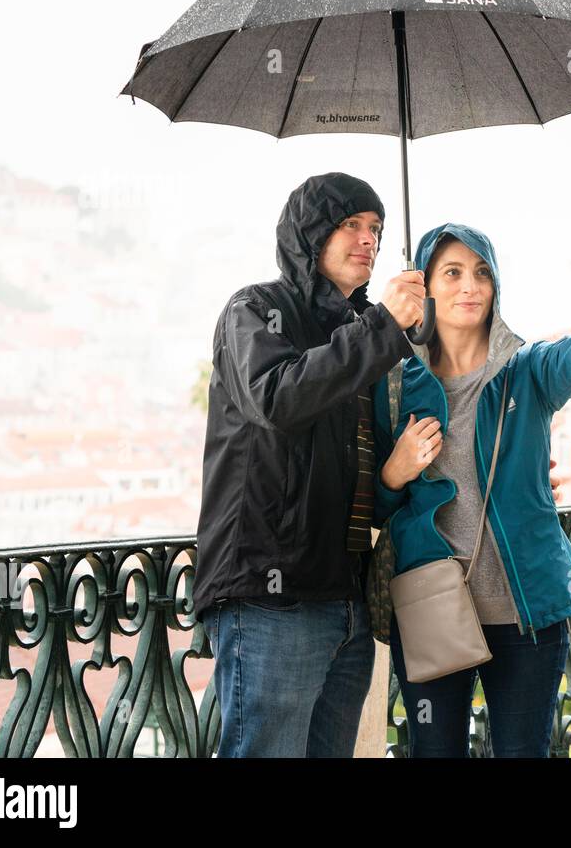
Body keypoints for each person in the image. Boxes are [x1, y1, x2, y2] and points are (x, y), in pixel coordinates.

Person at [372, 223, 571, 758]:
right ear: (423, 287)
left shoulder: (528, 372)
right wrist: (393, 473)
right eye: (452, 272)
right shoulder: (395, 385)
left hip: (527, 613)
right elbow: (376, 507)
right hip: (430, 608)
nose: (470, 286)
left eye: (482, 273)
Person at [192, 171, 426, 758]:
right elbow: (278, 398)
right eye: (350, 224)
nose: (368, 239)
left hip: (346, 602)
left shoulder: (364, 332)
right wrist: (381, 327)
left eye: (375, 228)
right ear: (309, 233)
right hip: (273, 599)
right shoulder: (254, 310)